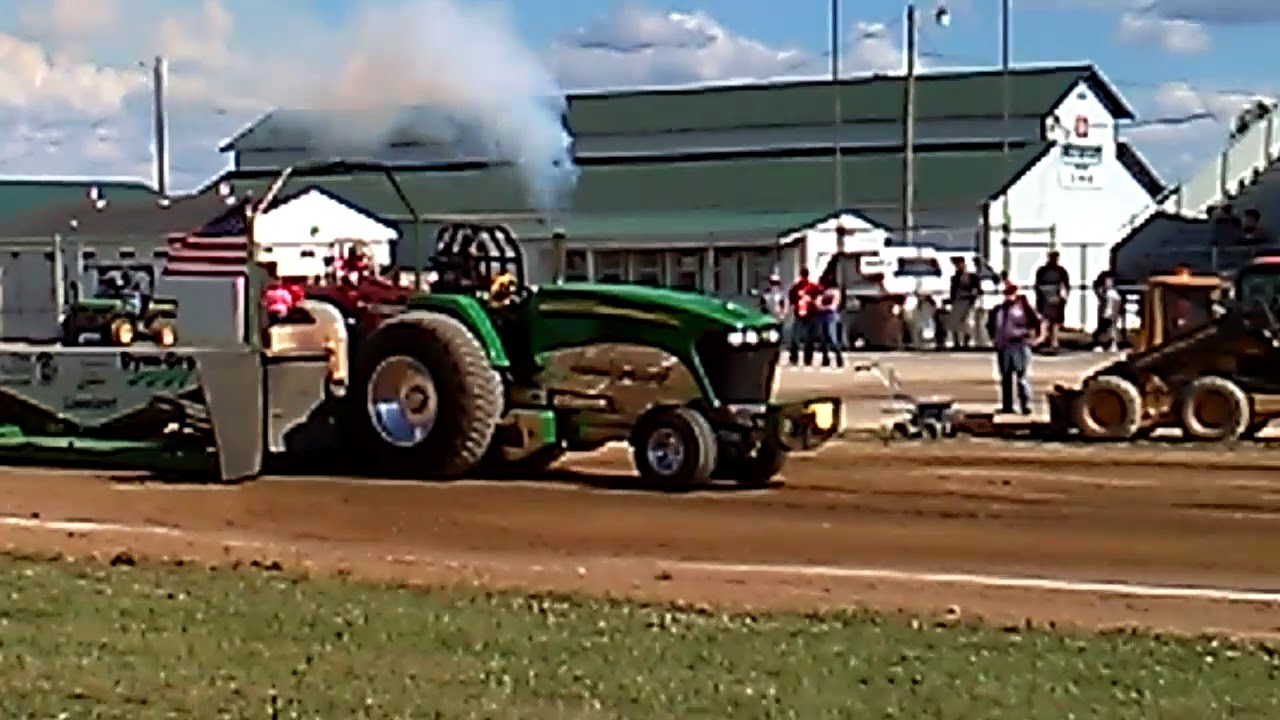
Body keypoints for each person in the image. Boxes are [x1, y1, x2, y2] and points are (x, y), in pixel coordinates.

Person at [985, 281, 1044, 416]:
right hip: (1003, 346)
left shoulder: (1024, 307)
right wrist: (994, 338)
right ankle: (1007, 405)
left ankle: (1025, 405)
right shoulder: (998, 309)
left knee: (1021, 377)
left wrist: (1037, 338)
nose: (1009, 295)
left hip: (1020, 344)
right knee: (1005, 377)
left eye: (1011, 292)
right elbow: (990, 324)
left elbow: (1037, 321)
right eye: (1006, 293)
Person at [1033, 251, 1070, 353]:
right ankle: (1043, 338)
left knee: (1055, 321)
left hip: (1056, 298)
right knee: (1044, 320)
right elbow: (1037, 285)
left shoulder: (1061, 271)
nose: (1054, 259)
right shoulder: (1042, 270)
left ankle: (1054, 341)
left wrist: (1064, 297)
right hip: (1044, 298)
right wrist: (1040, 296)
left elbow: (1066, 285)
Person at [947, 256, 982, 349]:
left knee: (968, 323)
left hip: (968, 301)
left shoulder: (972, 277)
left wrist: (974, 297)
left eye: (959, 264)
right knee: (954, 322)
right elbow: (953, 291)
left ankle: (966, 342)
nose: (958, 266)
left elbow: (977, 289)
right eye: (956, 265)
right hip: (958, 301)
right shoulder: (955, 278)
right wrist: (952, 300)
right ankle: (957, 343)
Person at [787, 268, 819, 366]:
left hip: (807, 314)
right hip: (805, 315)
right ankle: (805, 359)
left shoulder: (798, 287)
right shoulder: (811, 286)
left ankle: (796, 358)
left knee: (801, 337)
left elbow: (791, 300)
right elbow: (818, 298)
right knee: (805, 338)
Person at [814, 271, 844, 368]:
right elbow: (818, 304)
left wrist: (823, 307)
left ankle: (839, 359)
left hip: (831, 316)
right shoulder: (821, 292)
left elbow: (833, 306)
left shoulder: (835, 291)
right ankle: (825, 359)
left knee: (832, 338)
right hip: (822, 317)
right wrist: (822, 306)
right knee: (823, 339)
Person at [1092, 271, 1121, 352]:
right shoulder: (1111, 294)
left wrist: (1107, 315)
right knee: (1111, 326)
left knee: (1108, 326)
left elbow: (1109, 308)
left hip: (1109, 309)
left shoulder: (1110, 294)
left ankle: (1110, 344)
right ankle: (1112, 344)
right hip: (1110, 308)